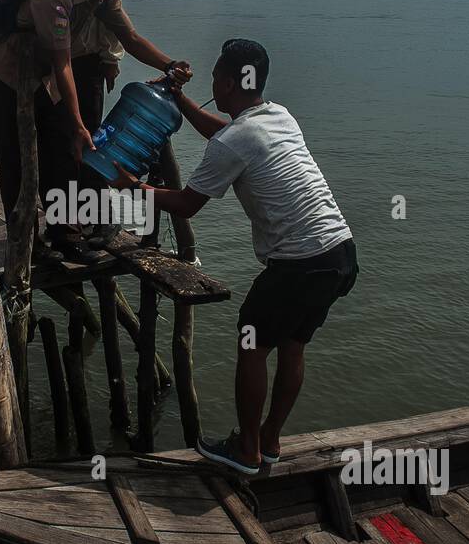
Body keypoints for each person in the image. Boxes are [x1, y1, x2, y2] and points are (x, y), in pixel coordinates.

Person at [110, 39, 358, 474]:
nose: (212, 83)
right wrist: (180, 100)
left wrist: (134, 187)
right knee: (293, 344)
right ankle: (269, 440)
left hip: (298, 263)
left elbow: (187, 204)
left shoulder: (233, 140)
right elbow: (224, 135)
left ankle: (245, 451)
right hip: (338, 252)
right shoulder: (278, 115)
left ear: (226, 82)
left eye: (214, 77)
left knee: (251, 341)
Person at [0, 0, 191, 261]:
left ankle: (65, 235)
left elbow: (132, 39)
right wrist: (78, 123)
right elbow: (63, 63)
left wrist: (169, 65)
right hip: (8, 79)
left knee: (63, 157)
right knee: (16, 160)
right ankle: (26, 244)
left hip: (45, 79)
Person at [8, 0, 126, 222]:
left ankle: (92, 223)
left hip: (83, 59)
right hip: (54, 62)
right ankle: (68, 224)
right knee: (58, 147)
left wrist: (111, 55)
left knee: (85, 144)